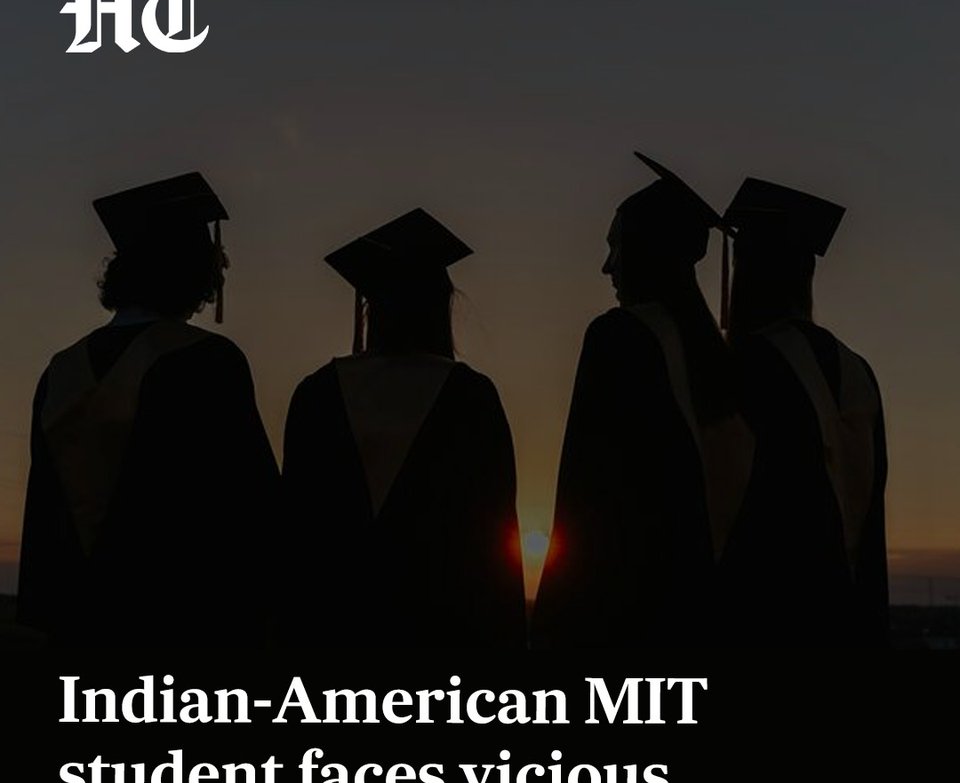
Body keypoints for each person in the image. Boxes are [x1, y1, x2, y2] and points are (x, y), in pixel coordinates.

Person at [17, 172, 279, 647]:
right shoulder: (208, 361)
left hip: (77, 619)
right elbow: (246, 503)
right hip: (177, 616)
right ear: (194, 271)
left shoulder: (61, 369)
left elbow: (43, 510)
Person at [532, 154, 755, 647]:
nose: (607, 266)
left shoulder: (619, 338)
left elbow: (586, 503)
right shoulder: (728, 367)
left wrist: (553, 627)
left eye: (616, 246)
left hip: (634, 621)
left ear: (646, 249)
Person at [281, 207, 527, 648]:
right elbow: (494, 544)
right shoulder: (472, 397)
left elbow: (294, 538)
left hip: (332, 629)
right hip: (442, 635)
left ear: (371, 307)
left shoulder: (317, 393)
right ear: (440, 305)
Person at [720, 178, 889, 646]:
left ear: (749, 272)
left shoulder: (751, 363)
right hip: (848, 619)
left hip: (769, 619)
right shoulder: (859, 370)